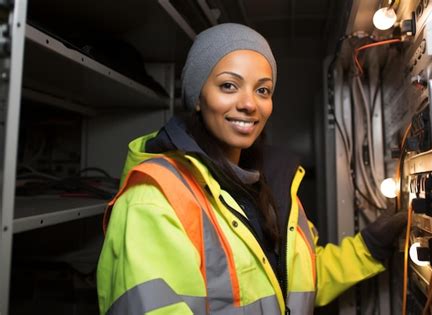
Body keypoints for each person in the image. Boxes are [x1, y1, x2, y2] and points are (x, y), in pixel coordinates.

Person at [97, 23, 406, 315]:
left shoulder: (271, 186)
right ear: (198, 98)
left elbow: (294, 282)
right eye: (229, 85)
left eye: (263, 90)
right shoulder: (153, 198)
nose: (250, 104)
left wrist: (369, 247)